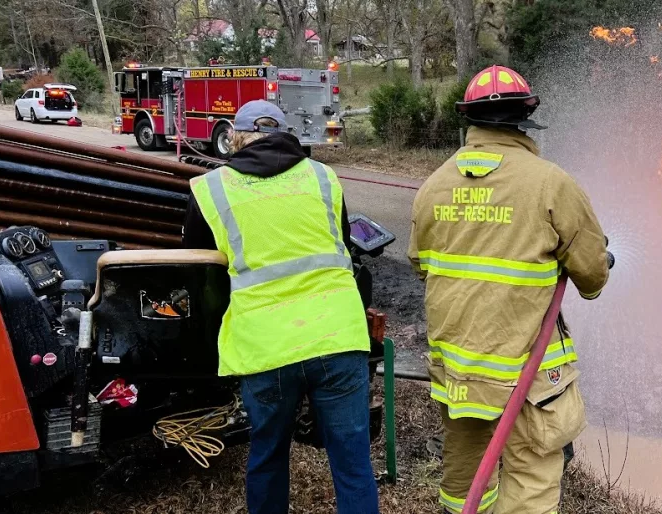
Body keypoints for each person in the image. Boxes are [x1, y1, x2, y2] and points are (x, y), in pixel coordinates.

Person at [408, 65, 611, 514]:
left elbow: (421, 265)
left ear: (470, 120)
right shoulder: (551, 183)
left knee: (465, 479)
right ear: (524, 119)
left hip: (461, 371)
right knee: (531, 474)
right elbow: (592, 277)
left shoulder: (433, 186)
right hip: (530, 370)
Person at [183, 100, 379, 514]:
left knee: (268, 455)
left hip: (265, 347)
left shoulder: (211, 189)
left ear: (235, 136)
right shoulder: (323, 177)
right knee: (353, 463)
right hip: (338, 336)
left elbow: (200, 274)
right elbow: (342, 243)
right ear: (286, 135)